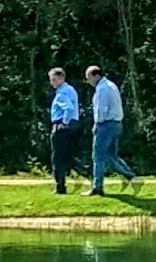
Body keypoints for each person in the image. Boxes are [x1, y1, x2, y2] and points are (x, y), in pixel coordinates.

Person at [88, 66, 136, 194]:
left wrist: (96, 125)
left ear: (95, 76)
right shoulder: (112, 85)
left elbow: (101, 110)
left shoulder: (102, 89)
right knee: (111, 155)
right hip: (116, 123)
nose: (89, 81)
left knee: (97, 156)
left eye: (89, 78)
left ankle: (97, 187)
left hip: (105, 125)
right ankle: (130, 176)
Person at [46, 68, 83, 194]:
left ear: (61, 78)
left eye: (54, 80)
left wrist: (64, 123)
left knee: (57, 157)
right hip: (73, 125)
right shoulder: (71, 89)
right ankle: (87, 174)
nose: (52, 83)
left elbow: (69, 108)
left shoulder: (61, 92)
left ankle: (60, 186)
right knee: (68, 155)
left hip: (62, 125)